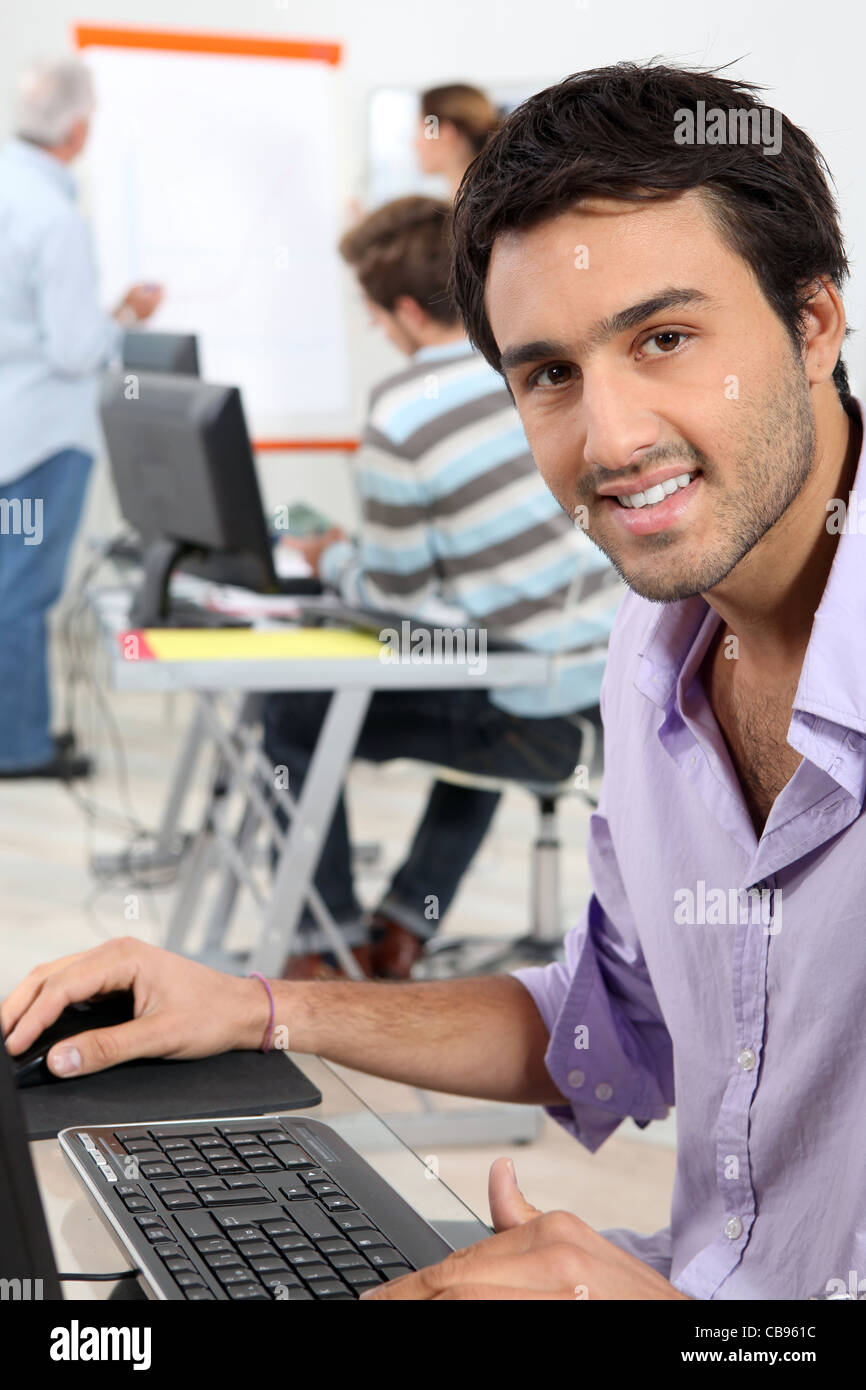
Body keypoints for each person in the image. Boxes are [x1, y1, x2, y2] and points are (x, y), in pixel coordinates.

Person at [3, 60, 863, 1300]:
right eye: (549, 374)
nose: (610, 440)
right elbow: (607, 1023)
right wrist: (255, 1007)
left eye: (663, 338)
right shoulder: (653, 646)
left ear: (812, 322)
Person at [266, 195, 623, 980]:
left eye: (372, 313)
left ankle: (325, 944)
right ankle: (403, 923)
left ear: (400, 309)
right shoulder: (534, 363)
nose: (374, 330)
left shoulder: (400, 418)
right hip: (611, 693)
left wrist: (330, 558)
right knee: (483, 659)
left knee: (290, 709)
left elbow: (393, 600)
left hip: (532, 717)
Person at [0, 58, 162, 780]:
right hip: (43, 435)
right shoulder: (53, 217)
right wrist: (123, 318)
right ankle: (20, 746)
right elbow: (73, 350)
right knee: (22, 595)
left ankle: (21, 731)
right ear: (77, 128)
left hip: (13, 427)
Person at [414, 83, 500, 198]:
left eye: (422, 131)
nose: (416, 144)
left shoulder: (469, 208)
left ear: (447, 134)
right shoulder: (495, 197)